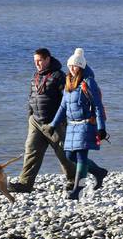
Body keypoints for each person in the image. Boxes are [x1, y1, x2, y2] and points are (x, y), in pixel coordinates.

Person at [9, 48, 75, 193]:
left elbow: (67, 100)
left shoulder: (59, 76)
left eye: (40, 60)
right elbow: (31, 97)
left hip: (54, 122)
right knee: (31, 151)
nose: (37, 64)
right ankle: (25, 184)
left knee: (64, 153)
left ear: (48, 59)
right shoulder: (35, 76)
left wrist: (63, 120)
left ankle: (73, 180)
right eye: (35, 61)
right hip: (35, 121)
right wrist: (29, 116)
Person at [50, 48, 109, 200]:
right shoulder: (68, 82)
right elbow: (63, 106)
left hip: (86, 125)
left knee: (81, 157)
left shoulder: (89, 82)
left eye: (75, 66)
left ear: (81, 66)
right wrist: (53, 124)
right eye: (70, 65)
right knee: (70, 156)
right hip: (72, 126)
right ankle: (98, 171)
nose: (72, 68)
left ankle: (78, 189)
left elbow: (97, 106)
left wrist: (101, 128)